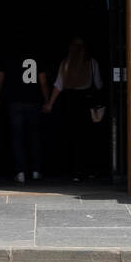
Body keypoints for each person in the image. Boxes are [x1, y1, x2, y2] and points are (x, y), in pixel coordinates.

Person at [43, 37, 103, 181]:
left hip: (70, 102)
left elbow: (58, 85)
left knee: (73, 136)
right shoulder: (91, 63)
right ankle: (89, 170)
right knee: (87, 137)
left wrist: (50, 103)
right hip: (85, 102)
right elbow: (99, 84)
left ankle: (75, 171)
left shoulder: (66, 63)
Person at [0, 28, 48, 184]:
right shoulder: (37, 56)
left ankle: (20, 172)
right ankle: (36, 170)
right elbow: (43, 81)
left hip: (15, 102)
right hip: (34, 101)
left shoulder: (8, 56)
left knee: (18, 138)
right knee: (35, 137)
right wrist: (47, 100)